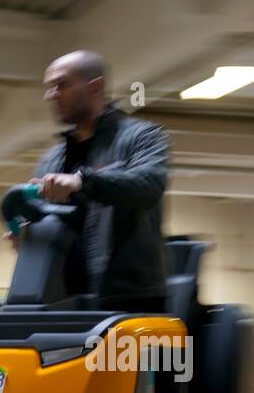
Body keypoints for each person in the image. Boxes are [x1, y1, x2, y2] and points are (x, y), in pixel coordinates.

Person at [12, 50, 170, 313]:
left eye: (61, 85)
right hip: (65, 302)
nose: (51, 95)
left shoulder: (143, 137)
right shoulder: (53, 159)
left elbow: (149, 184)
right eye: (49, 88)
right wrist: (27, 238)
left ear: (94, 87)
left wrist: (82, 181)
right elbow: (49, 223)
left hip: (129, 302)